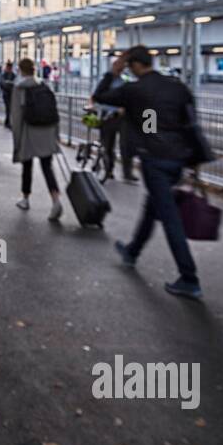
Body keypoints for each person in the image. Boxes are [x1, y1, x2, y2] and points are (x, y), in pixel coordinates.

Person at [92, 45, 202, 300]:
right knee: (152, 206)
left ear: (134, 65)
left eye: (128, 66)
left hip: (155, 159)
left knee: (169, 218)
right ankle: (132, 251)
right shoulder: (176, 86)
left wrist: (112, 73)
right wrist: (194, 159)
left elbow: (100, 97)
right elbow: (190, 122)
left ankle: (189, 277)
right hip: (178, 158)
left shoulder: (135, 90)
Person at [9, 57, 64, 220]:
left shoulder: (19, 88)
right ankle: (56, 200)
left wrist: (17, 140)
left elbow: (16, 116)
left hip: (29, 131)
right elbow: (55, 112)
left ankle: (25, 199)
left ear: (20, 70)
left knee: (27, 165)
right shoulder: (43, 85)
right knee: (47, 167)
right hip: (47, 131)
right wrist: (56, 134)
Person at [95, 71, 137, 183]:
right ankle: (109, 170)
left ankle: (127, 173)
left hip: (122, 117)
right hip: (108, 116)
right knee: (108, 146)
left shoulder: (124, 82)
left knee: (125, 145)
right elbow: (97, 99)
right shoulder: (104, 83)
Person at [0, 61, 16, 128]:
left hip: (11, 94)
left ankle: (7, 121)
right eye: (8, 67)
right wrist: (10, 84)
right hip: (6, 94)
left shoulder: (13, 75)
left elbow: (15, 83)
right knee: (8, 108)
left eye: (10, 67)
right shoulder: (4, 74)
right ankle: (8, 122)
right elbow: (3, 84)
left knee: (10, 108)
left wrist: (8, 83)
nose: (9, 69)